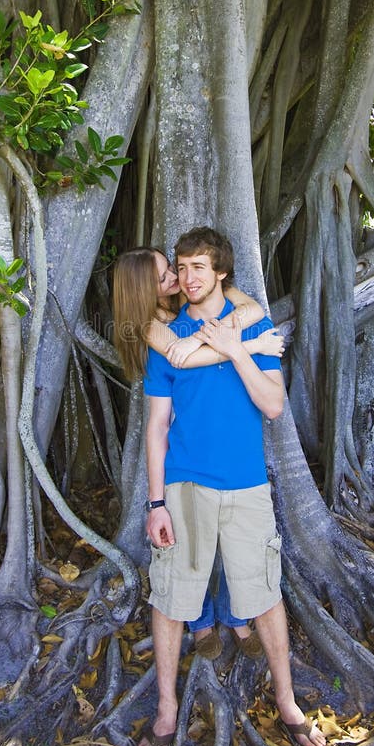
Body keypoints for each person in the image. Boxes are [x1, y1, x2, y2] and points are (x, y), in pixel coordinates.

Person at [136, 228, 326, 746]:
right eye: (181, 266)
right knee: (171, 598)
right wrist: (154, 504)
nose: (188, 277)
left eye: (199, 266)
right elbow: (155, 428)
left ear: (221, 272)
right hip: (184, 485)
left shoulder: (252, 324)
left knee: (265, 593)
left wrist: (236, 351)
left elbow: (272, 405)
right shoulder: (168, 338)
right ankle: (168, 709)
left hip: (246, 485)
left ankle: (287, 702)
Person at [113, 246, 282, 661]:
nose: (176, 277)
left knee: (234, 552)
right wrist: (253, 346)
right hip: (187, 465)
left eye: (174, 267)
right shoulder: (152, 326)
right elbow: (180, 358)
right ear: (143, 290)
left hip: (240, 469)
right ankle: (201, 621)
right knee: (189, 557)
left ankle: (234, 617)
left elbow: (253, 306)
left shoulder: (194, 299)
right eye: (165, 274)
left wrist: (236, 327)